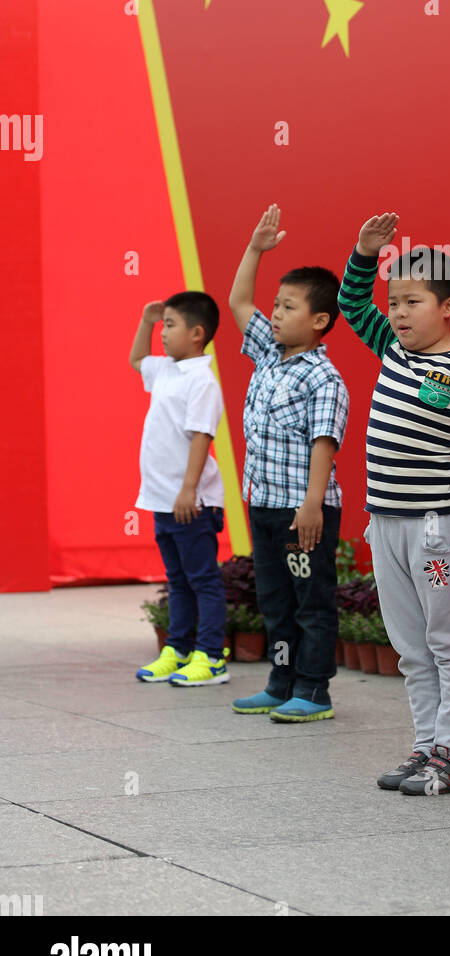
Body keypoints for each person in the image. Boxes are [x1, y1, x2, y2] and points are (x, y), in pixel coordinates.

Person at [337, 212, 450, 794]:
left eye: (413, 301)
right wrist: (363, 253)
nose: (399, 313)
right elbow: (352, 306)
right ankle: (427, 747)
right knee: (411, 648)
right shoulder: (394, 352)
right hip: (385, 524)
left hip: (440, 529)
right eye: (395, 301)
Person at [228, 205, 349, 723]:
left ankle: (314, 690)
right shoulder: (268, 355)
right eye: (275, 305)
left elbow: (324, 444)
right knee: (276, 601)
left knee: (310, 601)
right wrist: (255, 248)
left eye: (288, 307)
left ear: (319, 321)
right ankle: (281, 682)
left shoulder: (324, 378)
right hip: (265, 506)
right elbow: (236, 301)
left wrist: (312, 506)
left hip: (304, 512)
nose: (274, 314)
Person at [131, 292, 229, 687]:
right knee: (177, 579)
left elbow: (202, 436)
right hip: (161, 499)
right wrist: (146, 320)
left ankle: (211, 657)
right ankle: (179, 649)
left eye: (170, 326)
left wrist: (189, 489)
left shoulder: (201, 380)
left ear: (197, 333)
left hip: (190, 501)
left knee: (202, 579)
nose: (163, 334)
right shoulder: (166, 369)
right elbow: (136, 361)